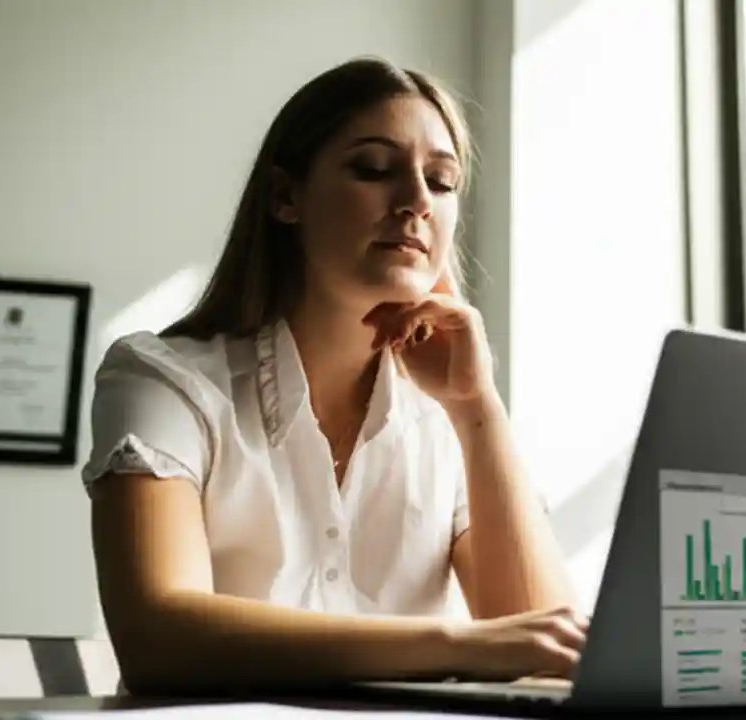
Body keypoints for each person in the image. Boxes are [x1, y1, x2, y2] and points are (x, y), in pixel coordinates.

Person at [82, 57, 585, 695]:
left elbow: (548, 650)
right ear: (285, 197)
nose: (415, 203)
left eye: (441, 180)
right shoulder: (163, 381)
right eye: (374, 169)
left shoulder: (443, 419)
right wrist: (456, 644)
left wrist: (476, 409)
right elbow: (157, 637)